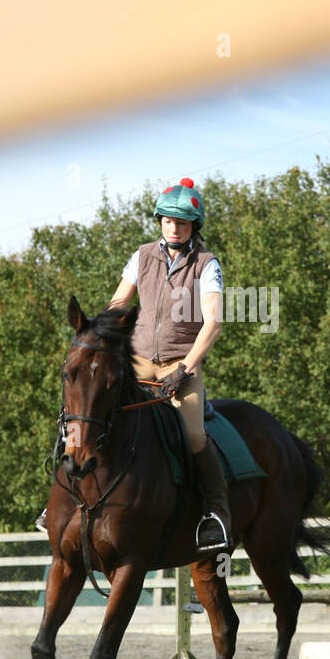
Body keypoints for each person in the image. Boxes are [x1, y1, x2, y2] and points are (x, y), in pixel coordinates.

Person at [107, 177, 230, 552]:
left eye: (182, 223)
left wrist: (186, 369)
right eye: (167, 221)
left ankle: (215, 515)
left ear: (194, 225)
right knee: (91, 408)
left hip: (181, 363)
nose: (174, 228)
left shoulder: (207, 264)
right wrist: (102, 338)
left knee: (193, 435)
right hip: (139, 360)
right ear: (160, 222)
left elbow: (213, 322)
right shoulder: (142, 255)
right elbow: (118, 305)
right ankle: (68, 497)